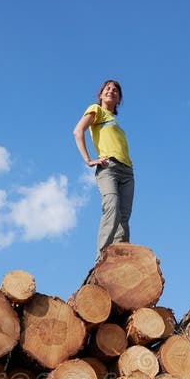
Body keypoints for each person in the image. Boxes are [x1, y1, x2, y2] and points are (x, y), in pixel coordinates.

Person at [73, 79, 134, 257]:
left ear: (119, 98)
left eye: (115, 90)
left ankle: (121, 262)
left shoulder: (116, 123)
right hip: (109, 168)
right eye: (107, 89)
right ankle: (102, 259)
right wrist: (88, 159)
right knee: (112, 208)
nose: (111, 91)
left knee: (124, 218)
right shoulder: (96, 110)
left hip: (128, 171)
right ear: (100, 95)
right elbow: (78, 131)